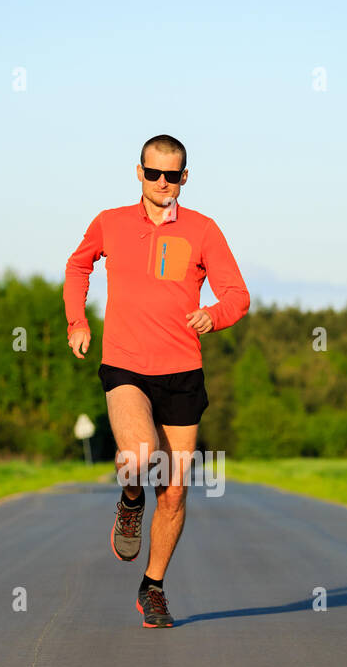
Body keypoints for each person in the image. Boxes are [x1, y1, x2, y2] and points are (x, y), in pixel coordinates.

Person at [64, 134, 250, 628]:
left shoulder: (204, 230)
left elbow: (238, 295)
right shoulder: (111, 222)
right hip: (126, 363)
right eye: (154, 174)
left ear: (184, 177)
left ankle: (153, 586)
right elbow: (78, 265)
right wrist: (76, 322)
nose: (163, 183)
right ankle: (129, 501)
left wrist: (215, 315)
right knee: (140, 454)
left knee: (174, 489)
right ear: (139, 173)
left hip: (182, 371)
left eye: (173, 175)